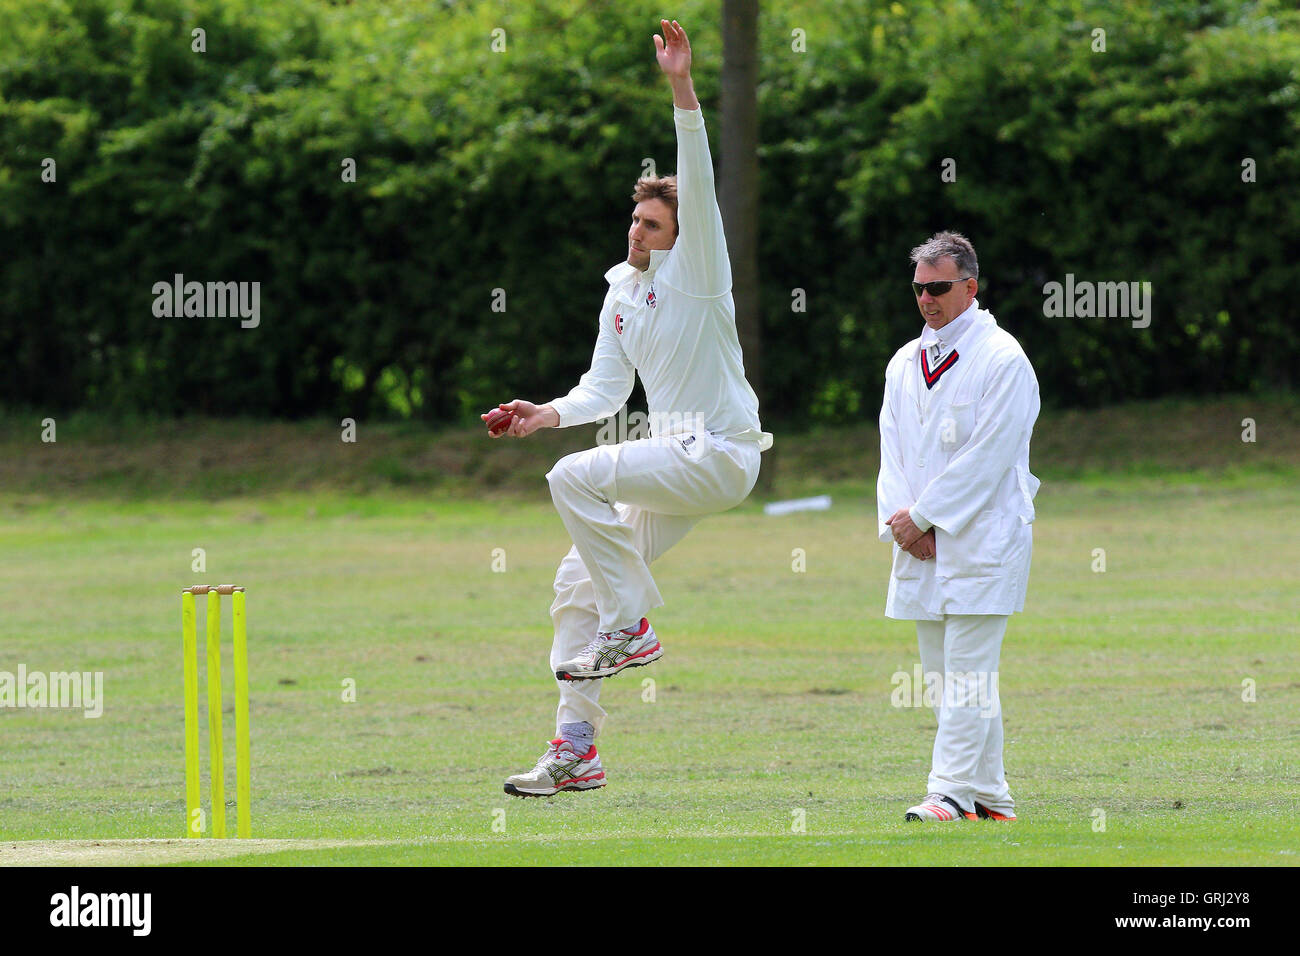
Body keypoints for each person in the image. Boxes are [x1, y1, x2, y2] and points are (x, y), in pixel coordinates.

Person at [481, 20, 771, 798]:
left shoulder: (700, 273)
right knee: (576, 586)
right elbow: (605, 392)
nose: (638, 230)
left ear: (682, 235)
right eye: (636, 219)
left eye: (653, 222)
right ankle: (576, 749)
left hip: (719, 452)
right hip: (672, 458)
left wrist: (681, 87)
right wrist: (541, 413)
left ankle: (633, 624)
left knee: (572, 481)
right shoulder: (622, 289)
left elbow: (697, 178)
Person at [876, 231, 1040, 822]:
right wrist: (903, 524)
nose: (927, 298)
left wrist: (925, 517)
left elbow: (990, 457)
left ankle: (946, 792)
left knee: (969, 672)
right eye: (919, 288)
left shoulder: (1003, 359)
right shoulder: (903, 362)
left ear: (970, 286)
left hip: (984, 540)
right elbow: (891, 453)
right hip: (918, 546)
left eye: (939, 287)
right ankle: (991, 797)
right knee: (947, 679)